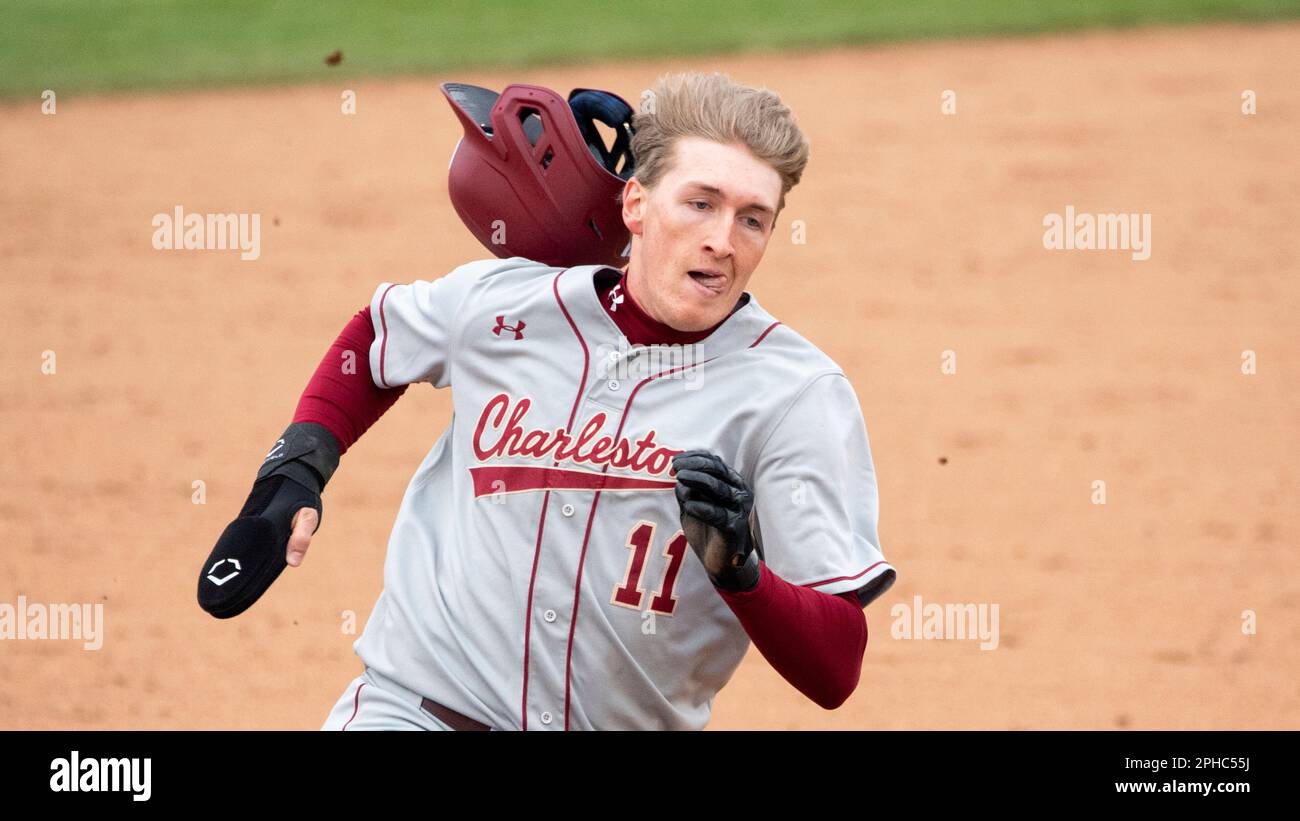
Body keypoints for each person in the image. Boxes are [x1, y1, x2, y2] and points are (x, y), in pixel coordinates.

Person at [199, 71, 895, 730]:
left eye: (753, 219)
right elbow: (377, 335)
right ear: (636, 204)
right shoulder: (507, 303)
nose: (722, 239)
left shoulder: (796, 395)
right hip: (414, 710)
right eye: (701, 202)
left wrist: (742, 572)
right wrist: (296, 470)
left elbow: (836, 667)